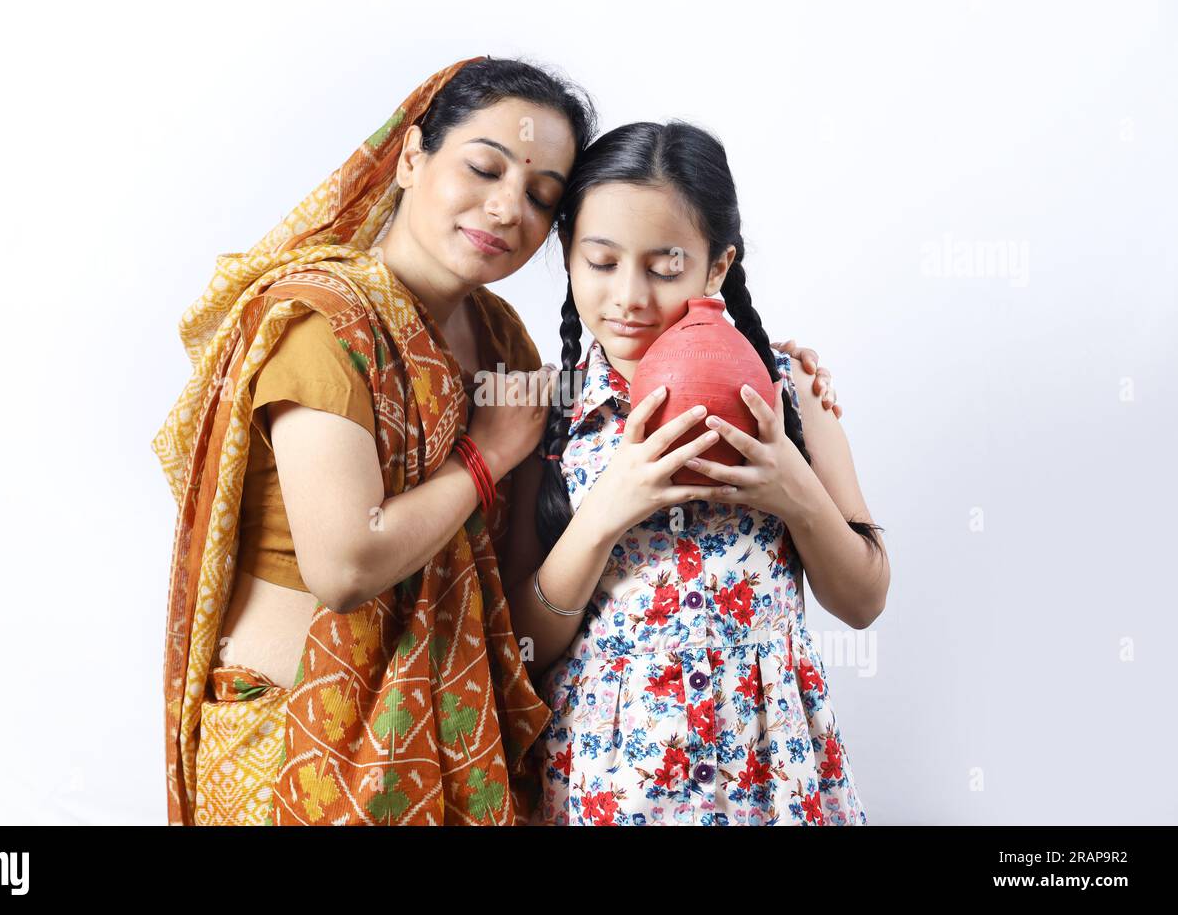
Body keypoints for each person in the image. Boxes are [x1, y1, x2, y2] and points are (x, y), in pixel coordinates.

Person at [154, 56, 842, 825]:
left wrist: (751, 366)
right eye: (484, 168)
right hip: (289, 744)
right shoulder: (324, 323)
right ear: (411, 157)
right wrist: (483, 460)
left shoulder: (502, 343)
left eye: (542, 195)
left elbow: (521, 583)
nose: (508, 207)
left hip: (438, 745)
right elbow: (346, 568)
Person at [509, 120, 890, 825]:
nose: (628, 296)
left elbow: (864, 603)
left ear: (717, 268)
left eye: (664, 267)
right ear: (567, 254)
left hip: (769, 774)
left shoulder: (788, 392)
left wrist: (796, 493)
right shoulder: (546, 413)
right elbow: (524, 645)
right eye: (601, 261)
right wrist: (605, 511)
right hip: (610, 778)